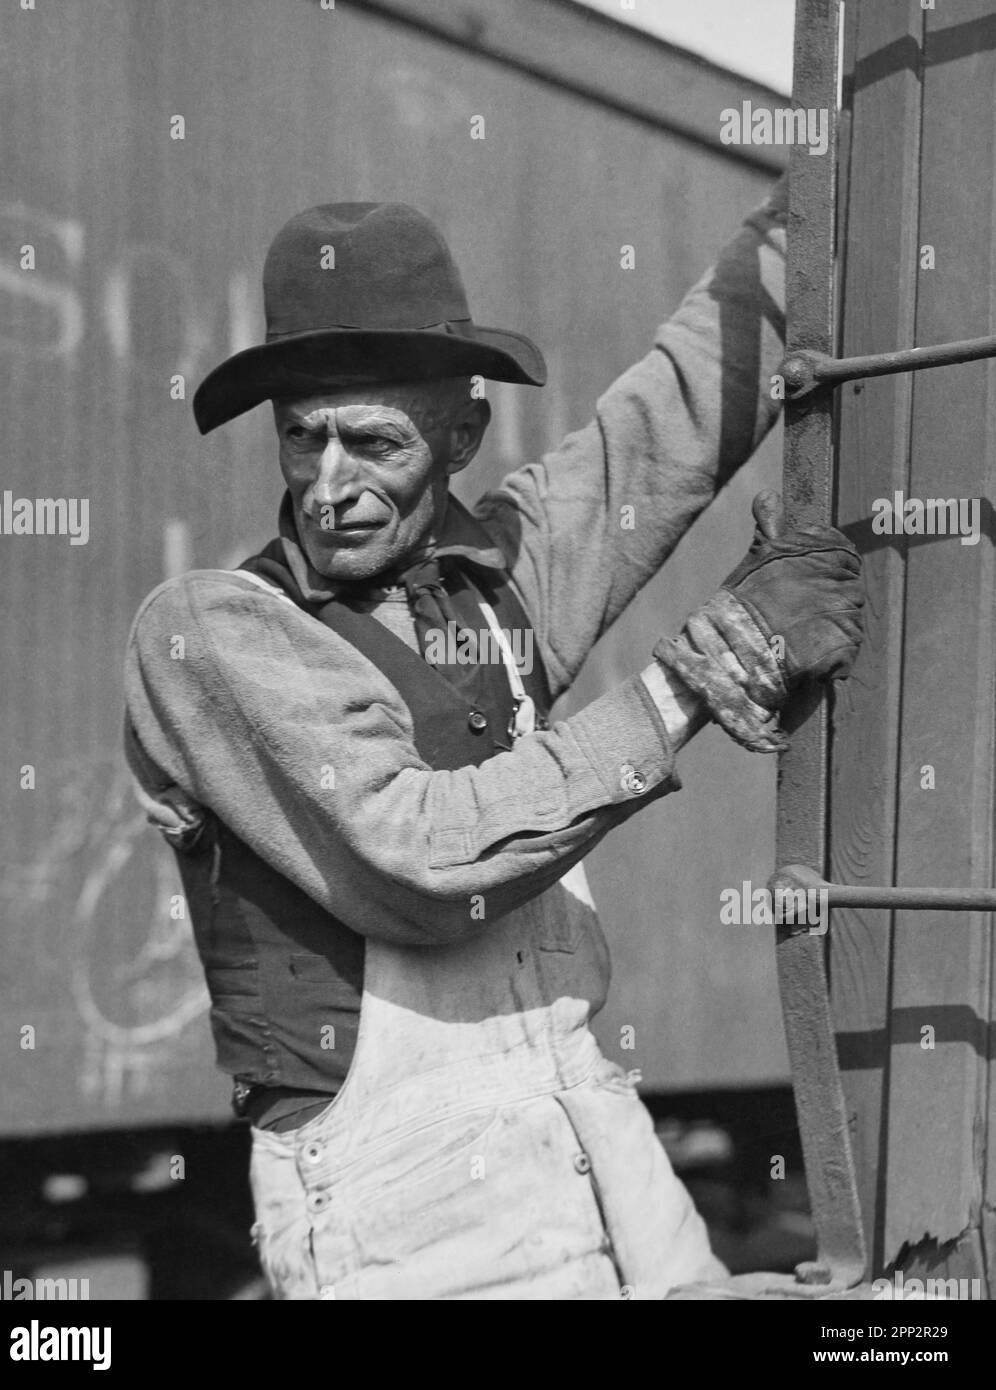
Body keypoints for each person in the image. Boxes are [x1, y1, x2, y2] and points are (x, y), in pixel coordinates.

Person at [123, 188, 864, 1299]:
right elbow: (421, 860)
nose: (330, 488)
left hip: (598, 1151)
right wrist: (704, 673)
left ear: (461, 436)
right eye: (303, 437)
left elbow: (671, 417)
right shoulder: (209, 633)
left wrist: (817, 189)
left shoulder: (502, 582)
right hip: (399, 1217)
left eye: (374, 443)